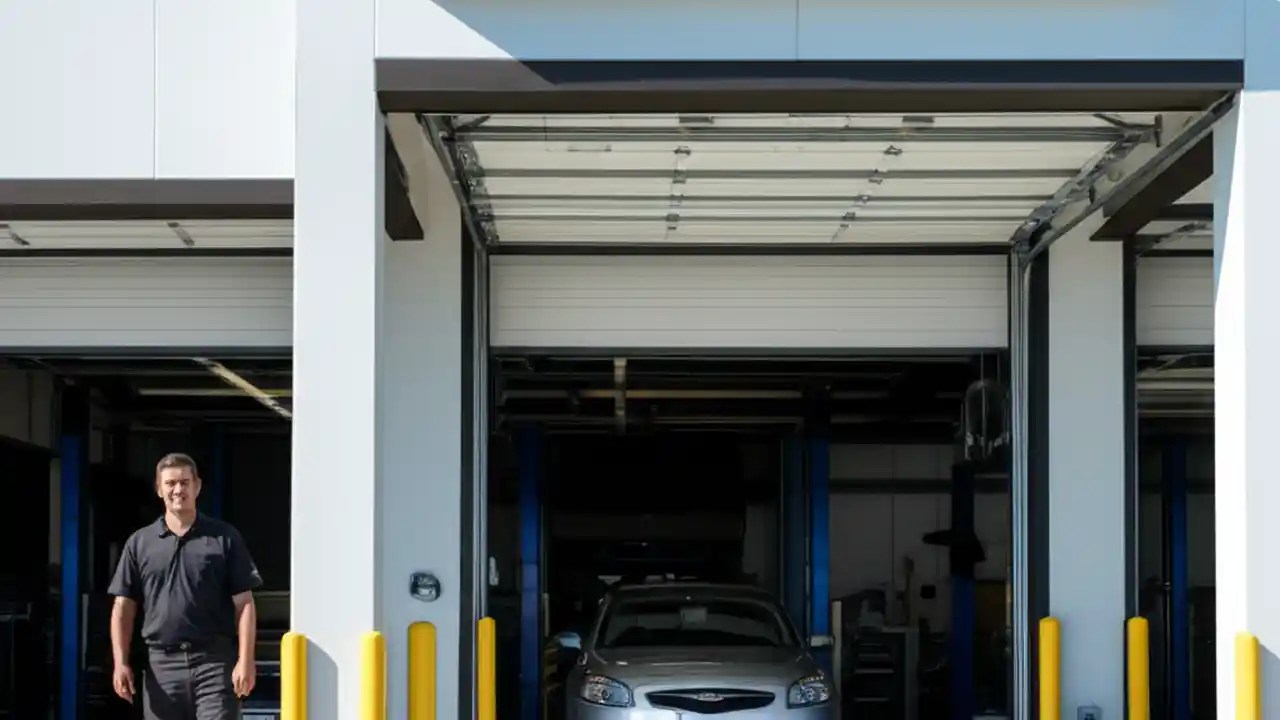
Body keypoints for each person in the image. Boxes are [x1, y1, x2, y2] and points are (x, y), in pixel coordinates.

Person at [107, 452, 263, 719]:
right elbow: (123, 607)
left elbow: (245, 603)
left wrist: (246, 660)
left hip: (214, 664)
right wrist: (120, 662)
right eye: (170, 483)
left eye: (184, 482)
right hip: (161, 667)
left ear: (197, 486)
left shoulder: (224, 538)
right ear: (159, 489)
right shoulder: (140, 543)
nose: (177, 489)